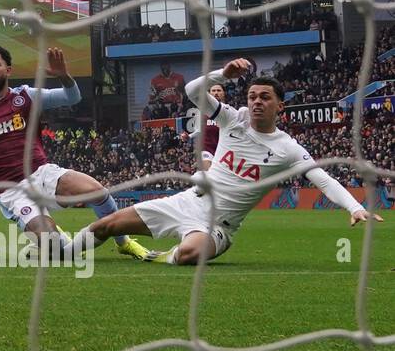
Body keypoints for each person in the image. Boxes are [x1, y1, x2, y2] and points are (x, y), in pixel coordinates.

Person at [72, 59, 383, 264]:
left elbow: (323, 179)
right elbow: (193, 92)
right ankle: (63, 251)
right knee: (106, 225)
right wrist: (221, 74)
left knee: (189, 256)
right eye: (252, 96)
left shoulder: (287, 149)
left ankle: (160, 256)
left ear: (280, 106)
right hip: (186, 203)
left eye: (265, 97)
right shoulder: (232, 120)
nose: (257, 102)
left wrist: (354, 207)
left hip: (218, 225)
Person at [0, 44, 149, 261]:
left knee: (98, 192)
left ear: (8, 70)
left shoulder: (26, 96)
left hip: (42, 173)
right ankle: (49, 240)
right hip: (11, 191)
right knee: (57, 249)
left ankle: (124, 243)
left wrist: (64, 76)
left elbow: (71, 97)